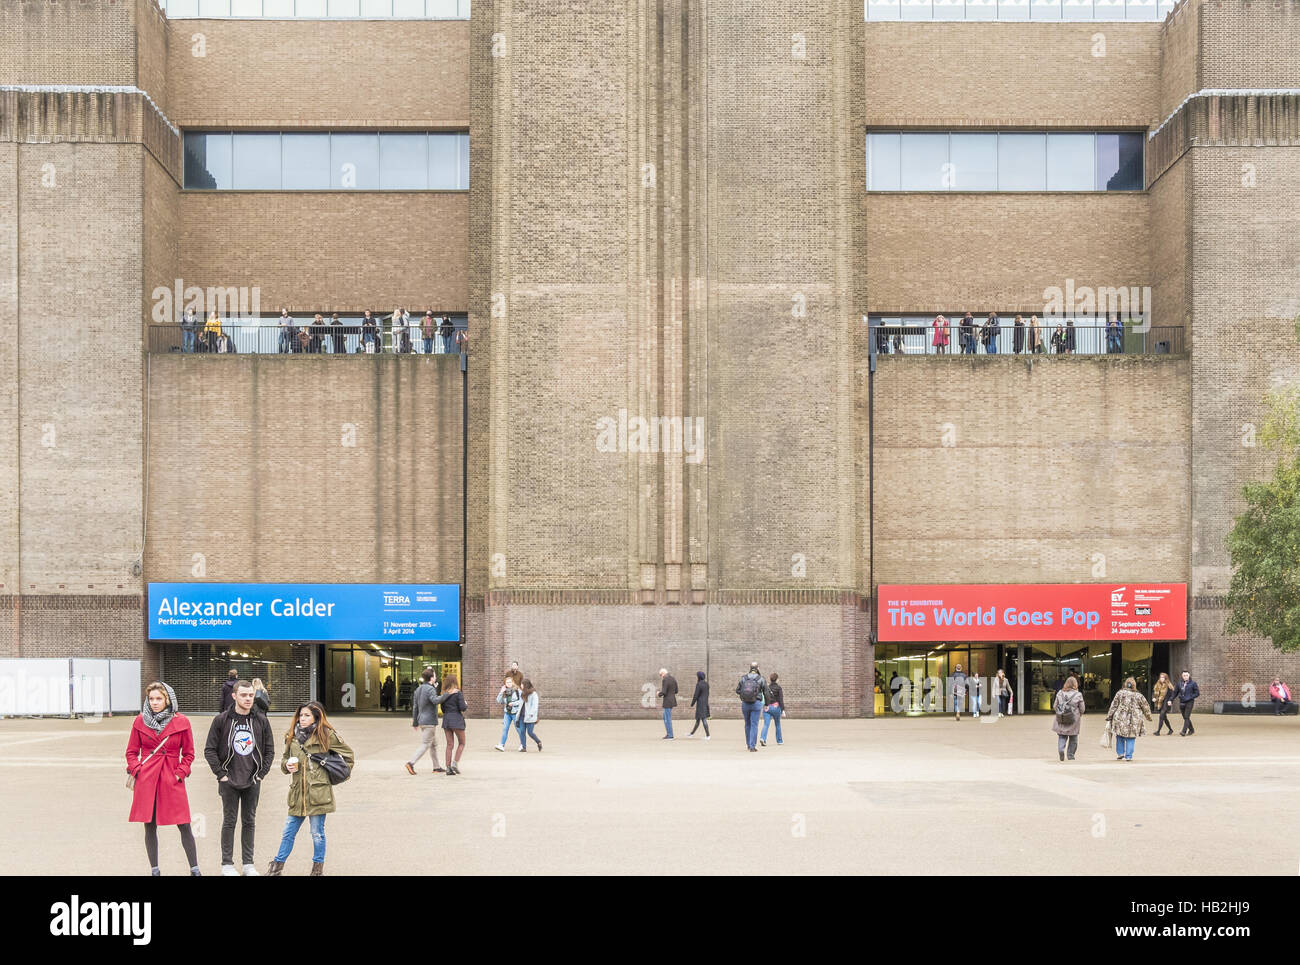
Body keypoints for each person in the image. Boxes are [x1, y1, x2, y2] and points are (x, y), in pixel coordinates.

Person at [267, 702, 355, 876]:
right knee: (288, 832)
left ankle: (317, 870)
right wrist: (287, 766)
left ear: (316, 716)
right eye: (301, 715)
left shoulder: (326, 735)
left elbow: (349, 756)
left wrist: (332, 777)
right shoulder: (291, 737)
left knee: (317, 833)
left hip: (318, 794)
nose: (303, 718)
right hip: (297, 794)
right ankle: (276, 867)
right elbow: (284, 760)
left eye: (307, 715)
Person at [126, 681, 200, 876]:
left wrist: (180, 772)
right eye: (151, 699)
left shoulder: (181, 721)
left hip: (171, 777)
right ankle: (155, 870)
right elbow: (131, 752)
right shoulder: (139, 721)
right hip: (147, 779)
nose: (155, 703)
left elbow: (190, 753)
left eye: (159, 698)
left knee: (184, 823)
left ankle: (195, 869)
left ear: (168, 699)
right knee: (149, 825)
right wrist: (137, 770)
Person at [204, 679, 275, 876]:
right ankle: (227, 864)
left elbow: (269, 750)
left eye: (251, 695)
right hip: (229, 781)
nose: (248, 699)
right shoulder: (222, 720)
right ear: (234, 696)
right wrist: (221, 775)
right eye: (243, 695)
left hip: (252, 780)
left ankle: (248, 864)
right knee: (229, 821)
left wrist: (261, 774)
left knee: (249, 821)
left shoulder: (261, 720)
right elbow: (209, 750)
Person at [403, 668, 445, 773]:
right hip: (429, 721)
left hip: (422, 721)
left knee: (434, 744)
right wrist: (446, 695)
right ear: (431, 678)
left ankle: (436, 767)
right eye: (435, 676)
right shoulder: (430, 689)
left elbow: (415, 707)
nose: (436, 677)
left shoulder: (419, 689)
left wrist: (415, 722)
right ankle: (411, 763)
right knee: (425, 744)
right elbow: (435, 701)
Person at [1106, 677, 1153, 761]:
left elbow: (1114, 705)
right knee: (1131, 737)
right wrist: (1148, 717)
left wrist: (1109, 716)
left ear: (1125, 684)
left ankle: (1120, 753)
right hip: (1134, 719)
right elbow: (1146, 707)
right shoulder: (1139, 695)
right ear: (1134, 685)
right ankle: (1128, 756)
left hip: (1120, 718)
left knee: (1119, 735)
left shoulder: (1120, 693)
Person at [430, 674, 467, 774]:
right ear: (455, 682)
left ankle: (448, 767)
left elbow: (442, 709)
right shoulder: (458, 693)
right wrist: (465, 703)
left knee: (449, 745)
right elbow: (462, 708)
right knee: (462, 743)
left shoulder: (444, 694)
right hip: (457, 721)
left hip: (447, 721)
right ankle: (455, 763)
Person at [1052, 675, 1085, 761]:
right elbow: (1082, 708)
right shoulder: (1078, 694)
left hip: (1062, 718)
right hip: (1074, 719)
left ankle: (1061, 749)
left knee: (1062, 735)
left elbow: (1055, 706)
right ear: (1075, 684)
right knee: (1073, 738)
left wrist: (1060, 713)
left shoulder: (1060, 693)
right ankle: (1070, 755)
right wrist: (1079, 714)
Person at [736, 662, 767, 752]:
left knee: (747, 724)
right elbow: (766, 692)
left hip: (745, 704)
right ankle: (752, 746)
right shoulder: (761, 679)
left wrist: (745, 694)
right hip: (756, 703)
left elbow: (737, 690)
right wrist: (767, 704)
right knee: (754, 725)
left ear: (750, 668)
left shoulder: (744, 678)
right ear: (758, 668)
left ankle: (748, 745)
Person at [495, 674, 522, 751]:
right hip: (507, 713)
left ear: (513, 682)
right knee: (505, 729)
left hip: (515, 713)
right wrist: (501, 692)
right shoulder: (504, 692)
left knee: (518, 729)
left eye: (510, 682)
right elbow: (499, 701)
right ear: (505, 684)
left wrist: (513, 703)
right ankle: (502, 745)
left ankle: (523, 745)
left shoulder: (517, 690)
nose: (509, 684)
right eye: (507, 682)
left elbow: (522, 701)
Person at [515, 678, 542, 751]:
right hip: (521, 716)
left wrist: (531, 714)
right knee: (522, 732)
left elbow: (535, 706)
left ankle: (538, 742)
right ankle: (524, 747)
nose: (521, 685)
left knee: (530, 732)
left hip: (530, 717)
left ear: (525, 685)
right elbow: (520, 704)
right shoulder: (522, 693)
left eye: (522, 684)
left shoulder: (534, 694)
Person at [760, 672, 785, 746]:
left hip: (767, 707)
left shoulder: (767, 687)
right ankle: (779, 741)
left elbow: (763, 697)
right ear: (777, 680)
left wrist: (765, 705)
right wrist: (783, 710)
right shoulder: (779, 688)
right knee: (777, 724)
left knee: (766, 724)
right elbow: (781, 700)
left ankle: (763, 738)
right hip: (775, 707)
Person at [686, 670, 710, 738]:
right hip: (705, 703)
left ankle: (708, 735)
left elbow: (696, 695)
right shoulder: (706, 684)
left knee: (703, 719)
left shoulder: (699, 684)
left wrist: (692, 703)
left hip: (700, 704)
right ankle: (692, 734)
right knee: (698, 720)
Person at [1176, 670, 1200, 735]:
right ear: (1182, 676)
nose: (1185, 677)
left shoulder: (1193, 683)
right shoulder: (1179, 683)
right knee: (1185, 717)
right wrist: (1170, 699)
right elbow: (1175, 692)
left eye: (1186, 675)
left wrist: (1190, 697)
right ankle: (1191, 729)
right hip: (1182, 702)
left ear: (1189, 675)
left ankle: (1183, 731)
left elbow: (1197, 693)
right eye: (1184, 675)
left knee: (1186, 716)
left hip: (1190, 702)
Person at [657, 668, 678, 740]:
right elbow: (676, 691)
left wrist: (658, 694)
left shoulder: (665, 679)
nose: (661, 676)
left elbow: (664, 692)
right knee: (665, 716)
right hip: (672, 701)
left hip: (667, 701)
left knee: (667, 718)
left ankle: (670, 735)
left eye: (660, 675)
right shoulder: (673, 678)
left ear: (663, 673)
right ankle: (669, 733)